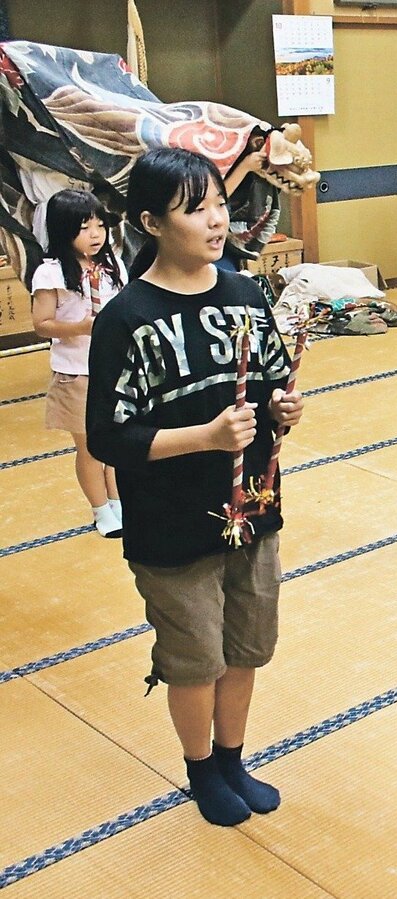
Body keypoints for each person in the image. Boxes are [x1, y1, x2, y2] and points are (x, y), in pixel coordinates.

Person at [86, 148, 304, 827]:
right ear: (151, 221)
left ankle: (234, 758)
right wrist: (203, 437)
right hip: (172, 523)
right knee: (194, 659)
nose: (216, 220)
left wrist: (282, 412)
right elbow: (109, 437)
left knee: (246, 646)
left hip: (251, 509)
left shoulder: (244, 292)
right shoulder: (126, 318)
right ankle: (201, 768)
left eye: (218, 203)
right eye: (196, 208)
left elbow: (267, 387)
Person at [31, 189, 127, 537]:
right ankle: (101, 510)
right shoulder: (51, 273)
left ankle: (118, 502)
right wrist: (82, 327)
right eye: (85, 227)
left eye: (100, 225)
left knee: (115, 441)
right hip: (76, 372)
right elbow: (41, 325)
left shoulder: (113, 264)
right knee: (89, 447)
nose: (96, 234)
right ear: (62, 230)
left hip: (113, 370)